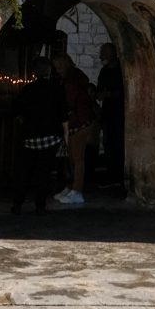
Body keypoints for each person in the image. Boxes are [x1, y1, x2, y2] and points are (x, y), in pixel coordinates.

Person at [11, 57, 67, 215]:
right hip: (50, 137)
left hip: (30, 136)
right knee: (44, 172)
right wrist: (65, 136)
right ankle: (40, 205)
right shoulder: (56, 89)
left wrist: (24, 121)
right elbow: (63, 115)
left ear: (35, 72)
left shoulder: (28, 89)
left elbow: (15, 110)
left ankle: (18, 203)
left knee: (24, 171)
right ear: (49, 70)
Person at [53, 50, 98, 205]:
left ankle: (77, 190)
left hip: (80, 122)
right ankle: (71, 187)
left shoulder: (71, 80)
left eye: (59, 66)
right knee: (72, 157)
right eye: (56, 67)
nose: (57, 69)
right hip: (77, 121)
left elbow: (70, 102)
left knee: (77, 158)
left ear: (65, 64)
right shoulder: (71, 78)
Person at [96, 41, 125, 193]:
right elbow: (99, 91)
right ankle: (112, 176)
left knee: (120, 146)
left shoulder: (122, 69)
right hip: (108, 115)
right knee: (108, 145)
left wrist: (111, 94)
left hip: (121, 114)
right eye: (103, 53)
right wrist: (102, 94)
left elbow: (124, 91)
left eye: (106, 53)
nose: (103, 56)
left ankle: (120, 177)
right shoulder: (104, 71)